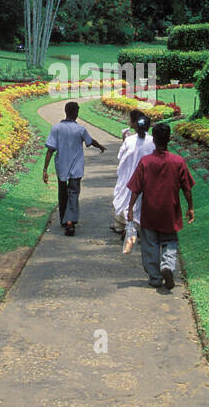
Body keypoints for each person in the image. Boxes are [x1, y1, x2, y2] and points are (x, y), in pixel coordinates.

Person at [126, 122, 194, 289]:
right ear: (169, 139)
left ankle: (155, 278)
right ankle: (168, 265)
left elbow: (136, 188)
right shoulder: (178, 161)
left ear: (154, 140)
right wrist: (190, 207)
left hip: (150, 211)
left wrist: (130, 208)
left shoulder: (146, 162)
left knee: (150, 244)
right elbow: (187, 188)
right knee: (170, 240)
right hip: (170, 210)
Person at [43, 101, 106, 236]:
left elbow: (50, 150)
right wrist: (100, 146)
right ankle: (70, 220)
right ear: (76, 113)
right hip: (76, 168)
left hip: (61, 167)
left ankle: (64, 220)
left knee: (62, 192)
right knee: (73, 193)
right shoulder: (80, 129)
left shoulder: (56, 128)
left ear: (66, 112)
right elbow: (91, 141)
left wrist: (45, 169)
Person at [112, 112, 154, 254]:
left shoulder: (129, 141)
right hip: (147, 178)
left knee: (125, 200)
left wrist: (124, 139)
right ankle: (138, 227)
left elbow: (120, 156)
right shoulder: (153, 141)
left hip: (129, 176)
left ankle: (127, 227)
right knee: (141, 203)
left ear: (136, 126)